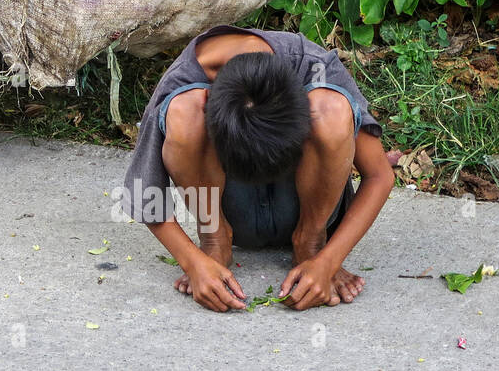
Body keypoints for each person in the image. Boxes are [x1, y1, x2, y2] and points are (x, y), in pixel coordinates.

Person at [119, 25, 396, 312]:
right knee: (183, 110)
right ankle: (215, 242)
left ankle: (310, 244)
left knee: (332, 108)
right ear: (210, 104)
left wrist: (329, 260)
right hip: (228, 211)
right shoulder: (184, 82)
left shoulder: (313, 66)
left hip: (310, 210)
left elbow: (379, 175)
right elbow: (143, 192)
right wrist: (193, 262)